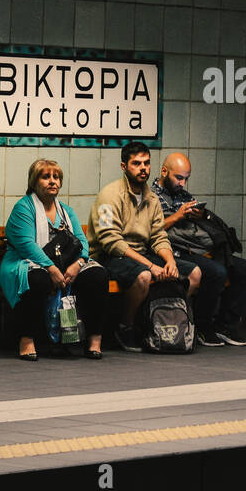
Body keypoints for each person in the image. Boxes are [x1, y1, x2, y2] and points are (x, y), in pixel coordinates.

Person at [0, 158, 116, 360]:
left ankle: (94, 339)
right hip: (26, 261)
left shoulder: (66, 211)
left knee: (98, 275)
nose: (52, 181)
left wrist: (78, 265)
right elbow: (27, 245)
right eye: (46, 177)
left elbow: (82, 242)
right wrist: (52, 269)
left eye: (56, 177)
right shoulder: (23, 208)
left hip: (66, 264)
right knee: (37, 279)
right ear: (34, 182)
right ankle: (27, 340)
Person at [89, 142, 201, 352]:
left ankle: (176, 324)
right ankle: (125, 328)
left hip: (140, 254)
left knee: (194, 273)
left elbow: (158, 235)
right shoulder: (109, 195)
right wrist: (151, 266)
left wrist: (169, 261)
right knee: (144, 276)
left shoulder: (151, 198)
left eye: (147, 163)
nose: (143, 168)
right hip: (109, 256)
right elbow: (110, 241)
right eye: (136, 163)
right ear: (124, 166)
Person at [153, 152, 246, 347]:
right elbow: (149, 231)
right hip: (174, 251)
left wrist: (198, 215)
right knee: (216, 272)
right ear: (164, 171)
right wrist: (177, 216)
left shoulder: (184, 195)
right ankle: (202, 326)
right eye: (178, 178)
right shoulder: (151, 197)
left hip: (199, 248)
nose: (182, 183)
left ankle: (225, 325)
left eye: (186, 179)